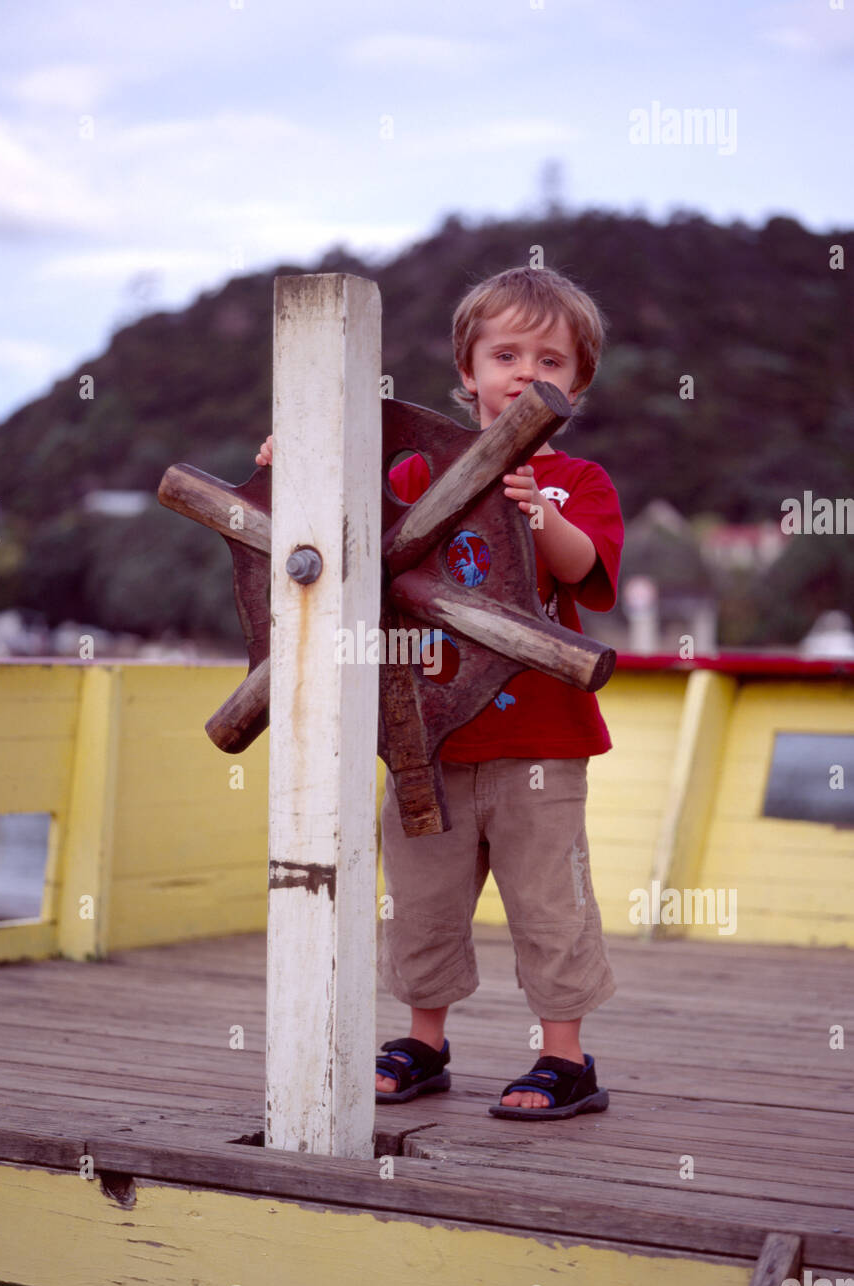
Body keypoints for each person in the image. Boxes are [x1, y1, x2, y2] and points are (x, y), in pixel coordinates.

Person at [256, 264, 623, 1120]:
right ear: (469, 373)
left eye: (551, 362)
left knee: (551, 905)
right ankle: (425, 1040)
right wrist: (294, 467)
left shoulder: (580, 484)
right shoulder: (416, 477)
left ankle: (565, 1058)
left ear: (579, 383)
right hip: (426, 737)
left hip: (543, 743)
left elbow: (584, 574)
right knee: (423, 899)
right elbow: (339, 523)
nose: (526, 373)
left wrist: (545, 518)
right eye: (506, 355)